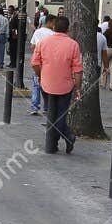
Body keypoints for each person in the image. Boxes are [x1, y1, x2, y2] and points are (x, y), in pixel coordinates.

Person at [32, 15, 83, 154]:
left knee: (51, 113)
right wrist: (78, 88)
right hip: (65, 85)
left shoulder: (43, 43)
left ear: (54, 27)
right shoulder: (73, 45)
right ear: (68, 29)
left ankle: (53, 143)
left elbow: (34, 63)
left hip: (46, 83)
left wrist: (41, 74)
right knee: (60, 114)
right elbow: (78, 70)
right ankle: (67, 136)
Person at [27, 15, 54, 114]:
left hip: (38, 62)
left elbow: (32, 46)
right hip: (49, 62)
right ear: (49, 22)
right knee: (48, 85)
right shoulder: (54, 34)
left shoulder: (37, 32)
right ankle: (47, 107)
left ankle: (35, 107)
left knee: (36, 85)